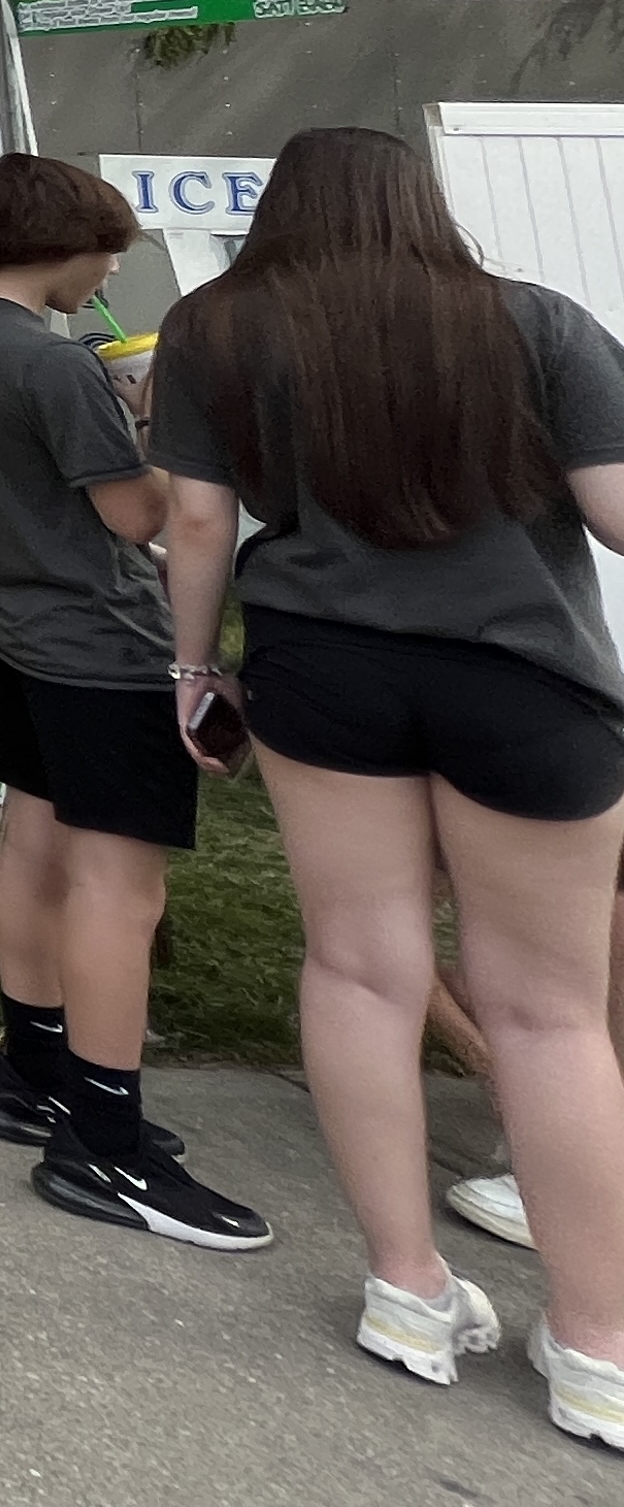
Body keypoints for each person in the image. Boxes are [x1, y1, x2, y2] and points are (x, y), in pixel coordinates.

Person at [159, 126, 624, 1438]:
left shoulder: (218, 331)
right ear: (424, 199)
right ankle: (598, 1344)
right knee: (552, 1013)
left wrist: (194, 671)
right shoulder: (539, 325)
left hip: (320, 671)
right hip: (525, 681)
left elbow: (199, 522)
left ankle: (405, 1290)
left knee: (360, 969)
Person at [0, 153, 269, 1251]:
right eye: (105, 251)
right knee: (121, 888)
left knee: (30, 840)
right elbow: (136, 518)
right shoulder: (52, 367)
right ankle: (105, 1138)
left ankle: (30, 1071)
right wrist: (163, 429)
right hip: (104, 647)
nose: (108, 272)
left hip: (15, 629)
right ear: (61, 244)